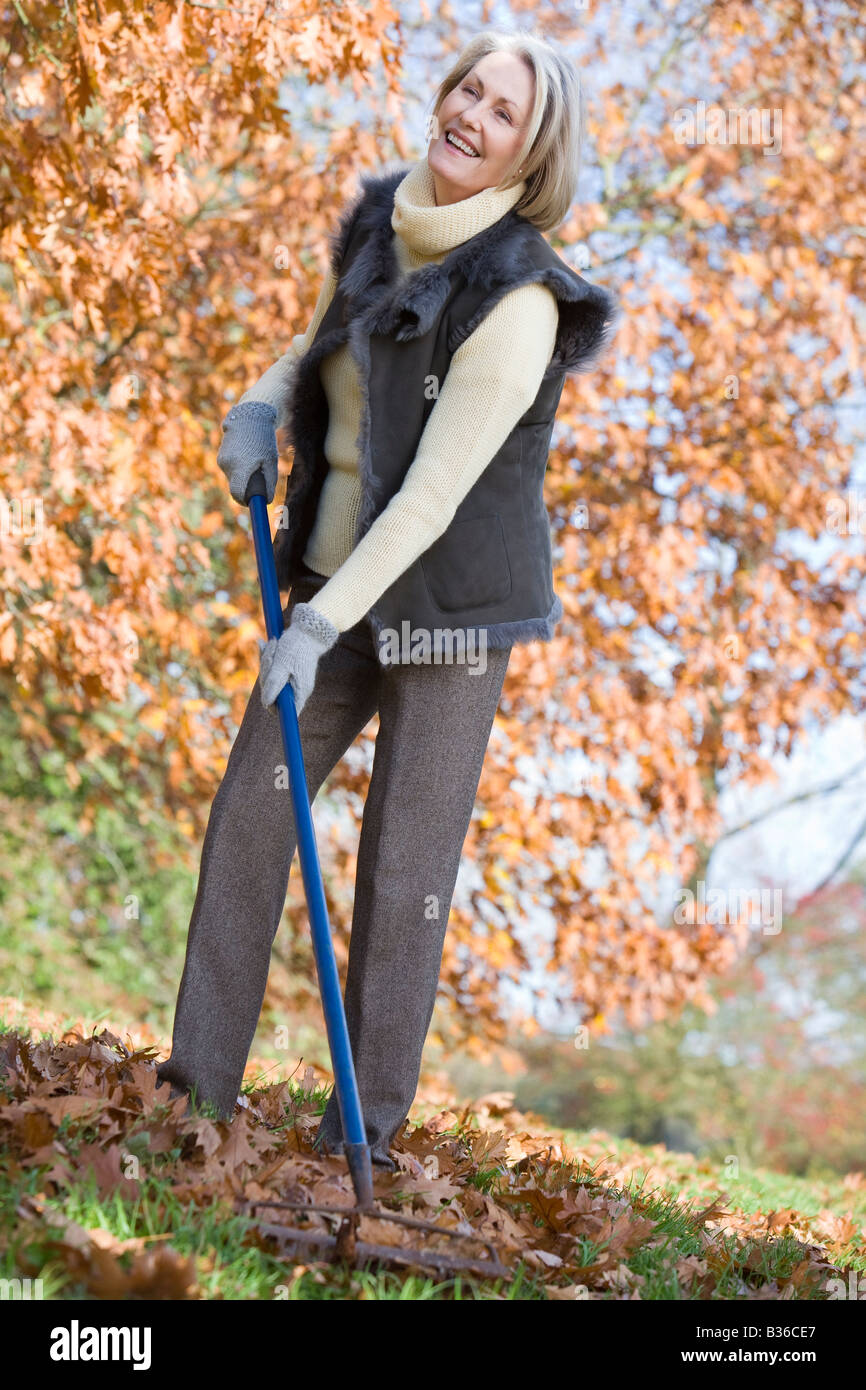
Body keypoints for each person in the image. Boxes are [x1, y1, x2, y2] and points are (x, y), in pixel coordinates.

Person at [156, 27, 619, 1170]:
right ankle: (193, 1095)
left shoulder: (519, 305)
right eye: (466, 87)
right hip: (336, 573)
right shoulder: (385, 224)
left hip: (447, 614)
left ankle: (356, 1136)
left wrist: (315, 622)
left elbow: (424, 500)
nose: (469, 113)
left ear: (529, 153)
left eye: (501, 110)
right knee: (252, 805)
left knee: (404, 866)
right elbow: (320, 350)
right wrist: (258, 409)